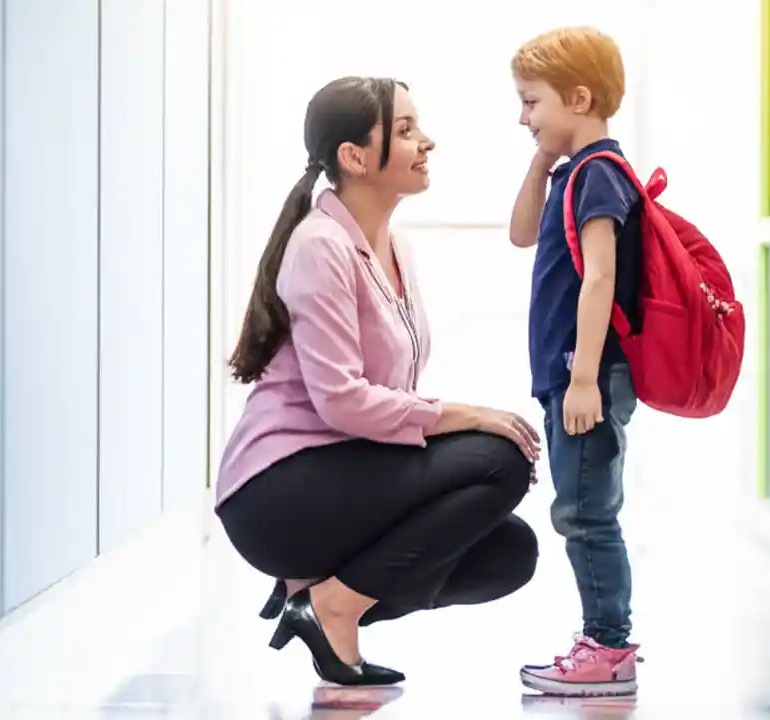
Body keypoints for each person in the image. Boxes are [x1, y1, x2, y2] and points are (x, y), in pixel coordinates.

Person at [214, 76, 543, 687]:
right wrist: (465, 414)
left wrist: (452, 420)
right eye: (405, 130)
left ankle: (318, 593)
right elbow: (341, 400)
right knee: (499, 459)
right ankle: (332, 608)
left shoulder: (393, 246)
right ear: (355, 157)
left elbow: (378, 397)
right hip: (276, 492)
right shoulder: (320, 246)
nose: (427, 142)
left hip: (340, 469)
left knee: (509, 553)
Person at [508, 27, 645, 696]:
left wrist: (585, 377)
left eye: (532, 102)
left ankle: (609, 648)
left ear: (579, 97)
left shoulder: (599, 178)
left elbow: (599, 277)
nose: (523, 116)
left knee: (587, 513)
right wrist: (540, 163)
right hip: (569, 374)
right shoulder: (573, 174)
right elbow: (521, 233)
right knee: (583, 507)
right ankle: (604, 640)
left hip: (586, 375)